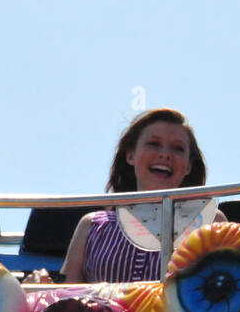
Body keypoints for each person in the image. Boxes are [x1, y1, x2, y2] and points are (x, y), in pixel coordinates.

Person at [29, 108, 224, 284]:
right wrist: (41, 287)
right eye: (154, 144)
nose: (165, 154)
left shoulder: (210, 223)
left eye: (178, 148)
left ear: (188, 166)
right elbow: (66, 299)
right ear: (130, 156)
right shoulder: (92, 226)